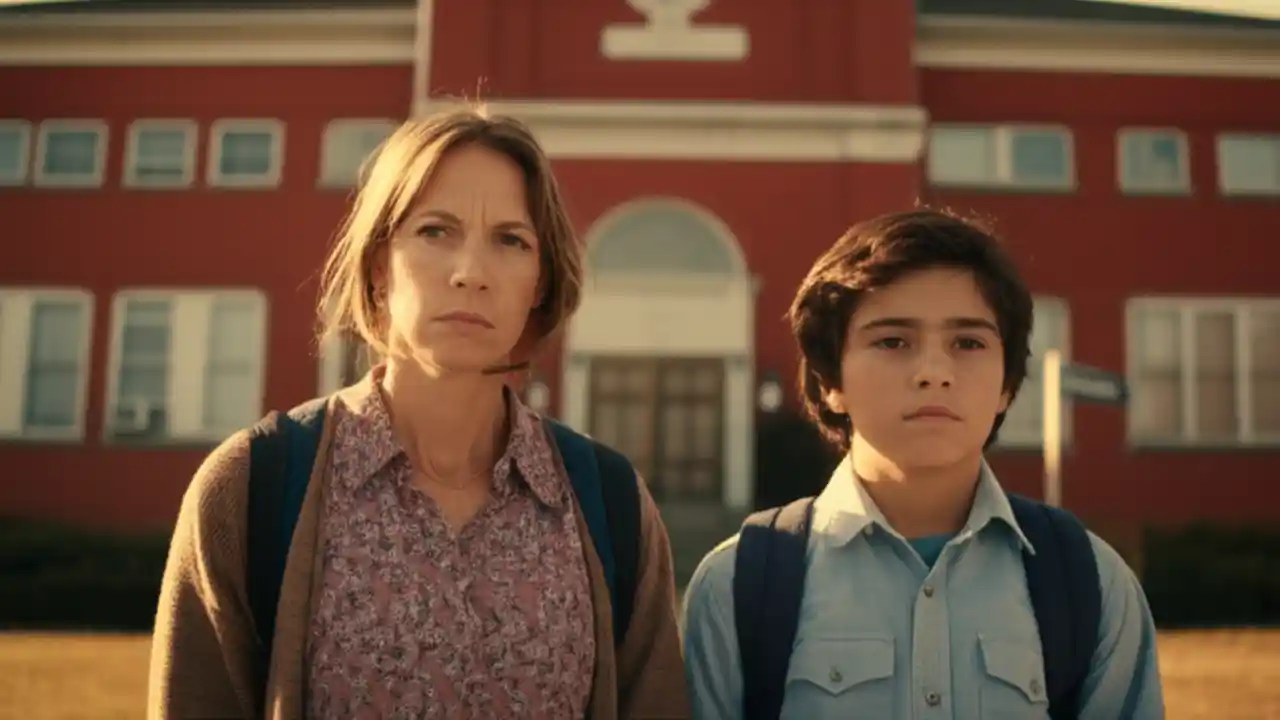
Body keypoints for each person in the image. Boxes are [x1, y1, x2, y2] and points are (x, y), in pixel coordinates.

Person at [147, 107, 690, 720]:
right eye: (436, 231)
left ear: (539, 281)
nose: (470, 274)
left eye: (511, 241)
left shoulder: (609, 503)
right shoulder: (253, 486)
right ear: (380, 263)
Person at [681, 209, 1164, 719]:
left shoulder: (1090, 582)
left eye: (968, 343)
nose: (934, 372)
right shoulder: (738, 586)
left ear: (1006, 385)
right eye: (893, 341)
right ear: (831, 384)